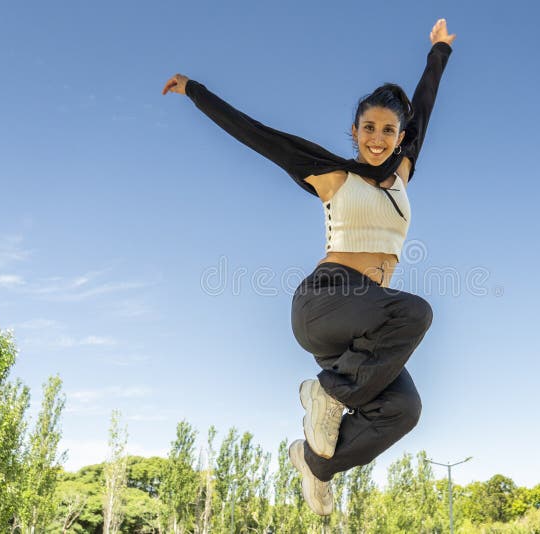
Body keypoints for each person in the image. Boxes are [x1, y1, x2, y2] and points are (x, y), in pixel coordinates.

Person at [163, 18, 456, 516]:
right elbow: (258, 135)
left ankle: (316, 465)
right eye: (368, 128)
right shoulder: (334, 176)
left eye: (389, 130)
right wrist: (196, 91)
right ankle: (326, 394)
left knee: (403, 410)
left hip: (358, 335)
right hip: (326, 301)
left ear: (401, 135)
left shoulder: (403, 173)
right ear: (354, 131)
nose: (378, 139)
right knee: (416, 312)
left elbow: (423, 109)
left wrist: (440, 53)